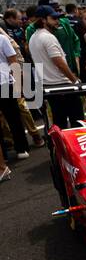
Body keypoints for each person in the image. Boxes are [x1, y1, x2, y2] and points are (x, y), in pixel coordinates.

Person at [27, 5, 82, 129]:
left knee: (59, 123)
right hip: (62, 84)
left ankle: (60, 147)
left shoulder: (33, 38)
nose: (58, 21)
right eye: (54, 18)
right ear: (43, 20)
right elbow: (59, 62)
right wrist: (74, 80)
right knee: (77, 122)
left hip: (49, 86)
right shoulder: (48, 37)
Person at [0, 25, 29, 167]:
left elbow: (13, 61)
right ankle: (4, 154)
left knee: (13, 117)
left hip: (5, 83)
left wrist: (18, 85)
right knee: (12, 117)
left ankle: (21, 147)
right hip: (5, 83)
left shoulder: (2, 39)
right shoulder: (2, 39)